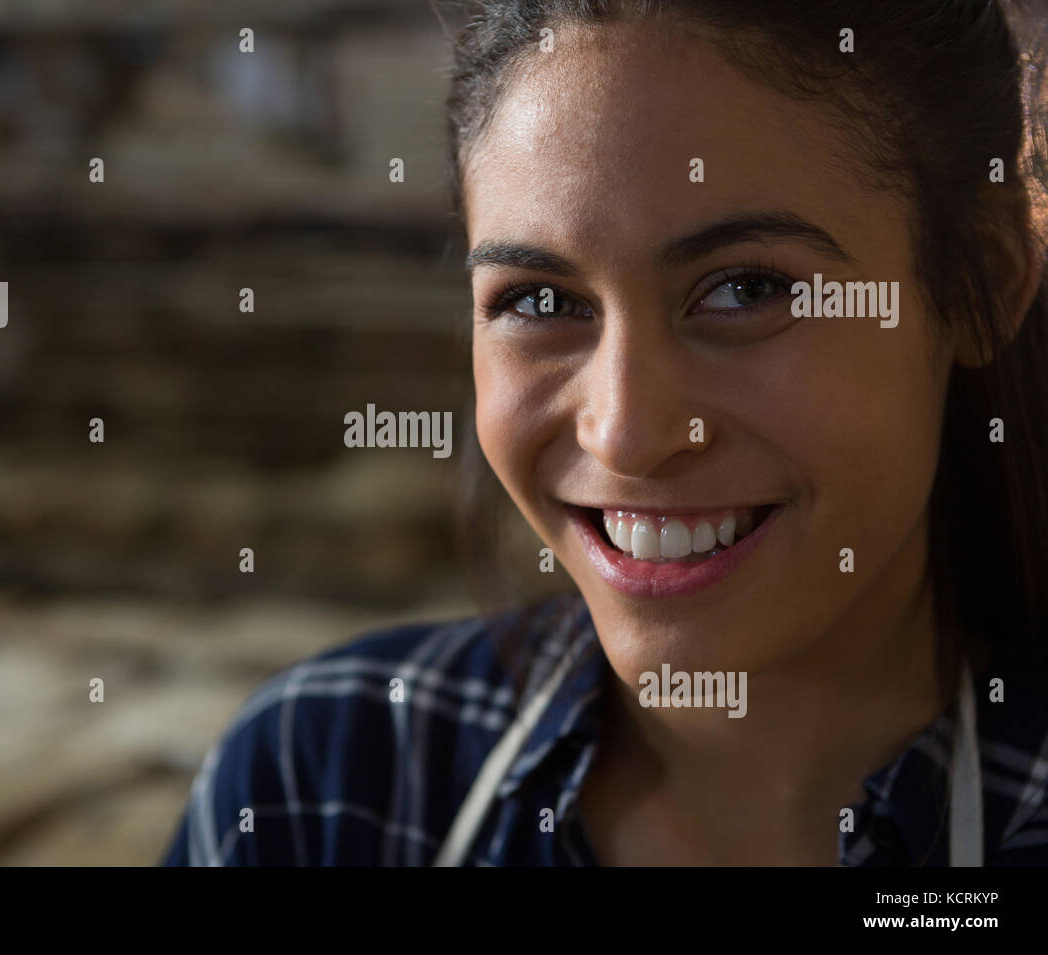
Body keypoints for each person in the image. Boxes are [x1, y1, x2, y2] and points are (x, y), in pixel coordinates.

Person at [163, 0, 1048, 866]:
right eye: (539, 301)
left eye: (746, 290)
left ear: (988, 280)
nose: (625, 434)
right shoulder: (319, 789)